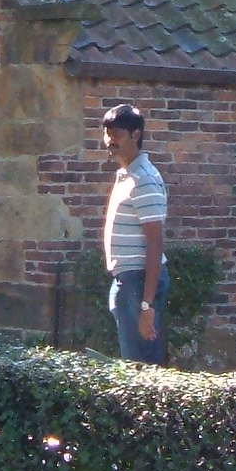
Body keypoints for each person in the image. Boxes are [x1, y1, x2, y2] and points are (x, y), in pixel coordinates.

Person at [99, 102, 169, 365]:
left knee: (141, 368)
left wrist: (146, 305)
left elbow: (155, 243)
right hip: (127, 280)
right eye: (107, 133)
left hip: (139, 282)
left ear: (135, 135)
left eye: (117, 134)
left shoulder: (144, 179)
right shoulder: (126, 175)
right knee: (133, 364)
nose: (110, 141)